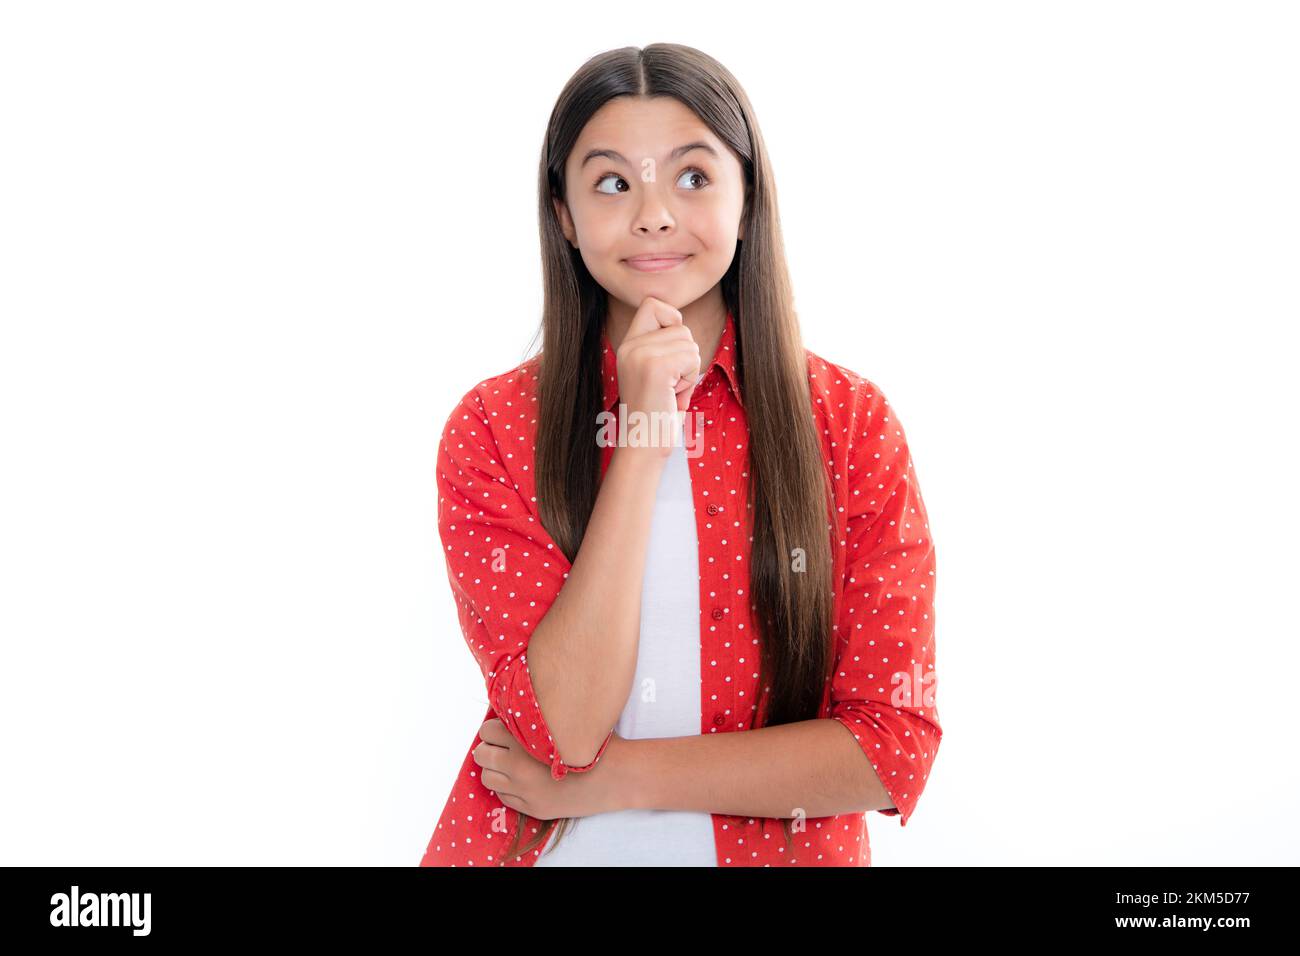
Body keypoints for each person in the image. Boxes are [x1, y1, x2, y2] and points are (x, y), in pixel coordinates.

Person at [419, 43, 941, 867]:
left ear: (747, 196)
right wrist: (642, 434)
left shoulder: (849, 424)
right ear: (564, 214)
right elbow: (561, 727)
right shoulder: (492, 428)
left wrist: (612, 779)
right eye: (613, 183)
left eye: (693, 177)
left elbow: (888, 750)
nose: (654, 213)